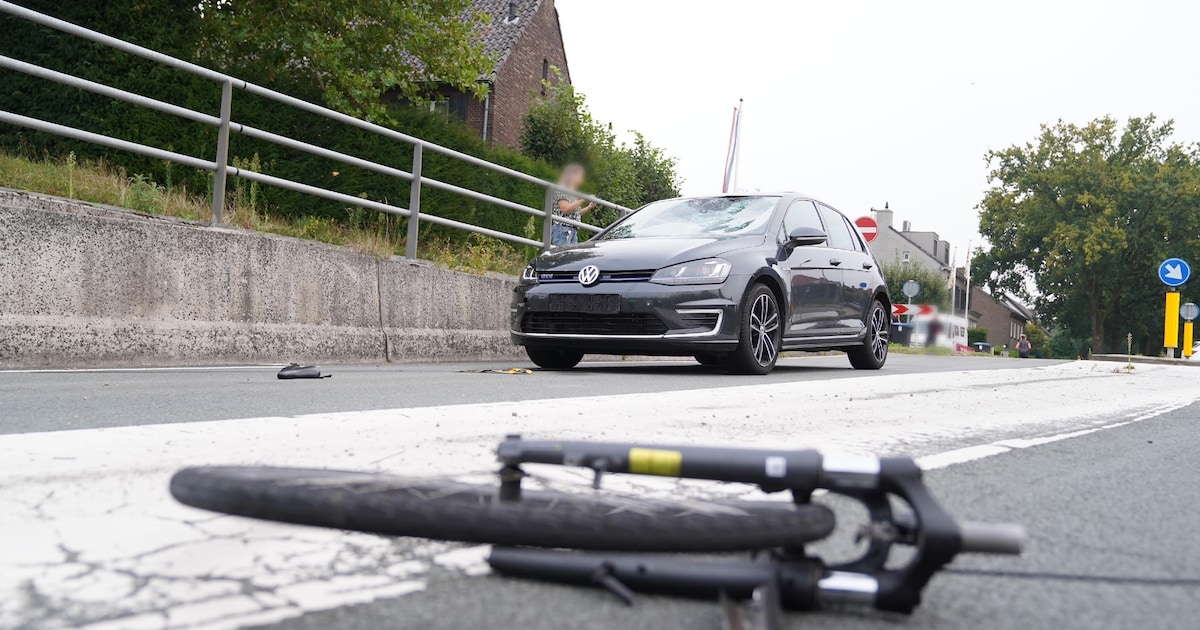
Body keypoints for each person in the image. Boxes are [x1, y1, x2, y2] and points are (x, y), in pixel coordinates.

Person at [550, 163, 596, 246]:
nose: (581, 178)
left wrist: (588, 207)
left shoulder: (573, 193)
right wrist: (582, 200)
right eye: (580, 175)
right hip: (563, 228)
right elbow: (564, 209)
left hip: (572, 230)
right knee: (561, 256)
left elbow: (575, 214)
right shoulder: (563, 189)